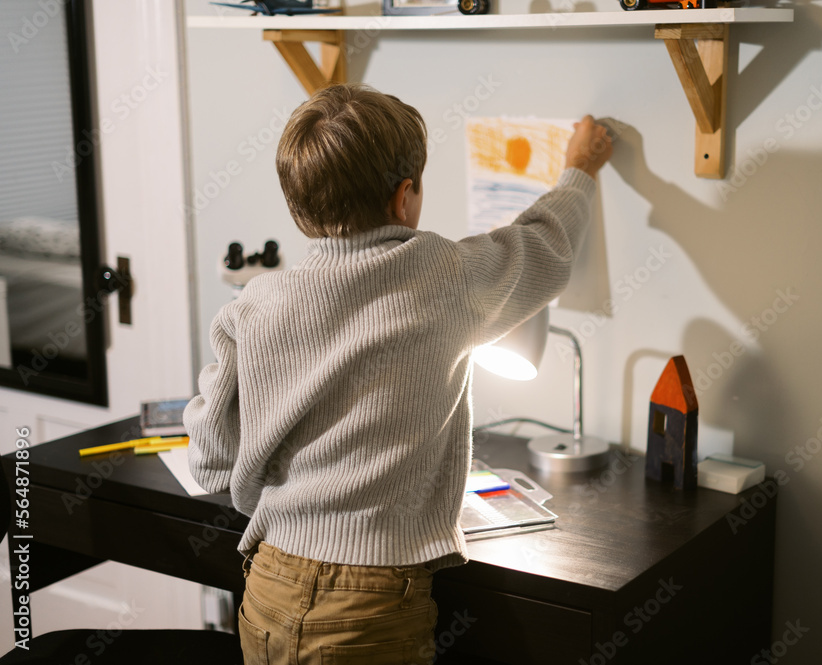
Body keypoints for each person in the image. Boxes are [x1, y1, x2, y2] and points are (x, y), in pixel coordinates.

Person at [184, 82, 612, 665]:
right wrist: (579, 169)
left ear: (299, 205)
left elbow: (209, 459)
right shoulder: (445, 273)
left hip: (268, 583)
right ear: (404, 197)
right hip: (374, 605)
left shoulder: (254, 306)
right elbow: (545, 246)